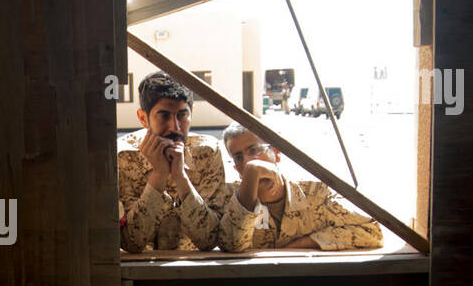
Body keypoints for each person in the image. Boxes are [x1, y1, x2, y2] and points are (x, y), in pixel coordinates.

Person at [216, 124, 383, 252]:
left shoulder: (316, 195)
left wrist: (307, 242)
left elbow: (372, 231)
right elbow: (231, 245)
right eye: (238, 157)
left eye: (254, 150)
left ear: (276, 152)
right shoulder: (230, 199)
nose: (247, 161)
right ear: (236, 168)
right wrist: (253, 171)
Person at [118, 72, 226, 252]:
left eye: (182, 115)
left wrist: (180, 178)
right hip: (141, 271)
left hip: (198, 269)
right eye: (164, 116)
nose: (175, 127)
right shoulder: (124, 155)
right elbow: (131, 242)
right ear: (143, 118)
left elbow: (209, 239)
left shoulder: (207, 152)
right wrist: (158, 177)